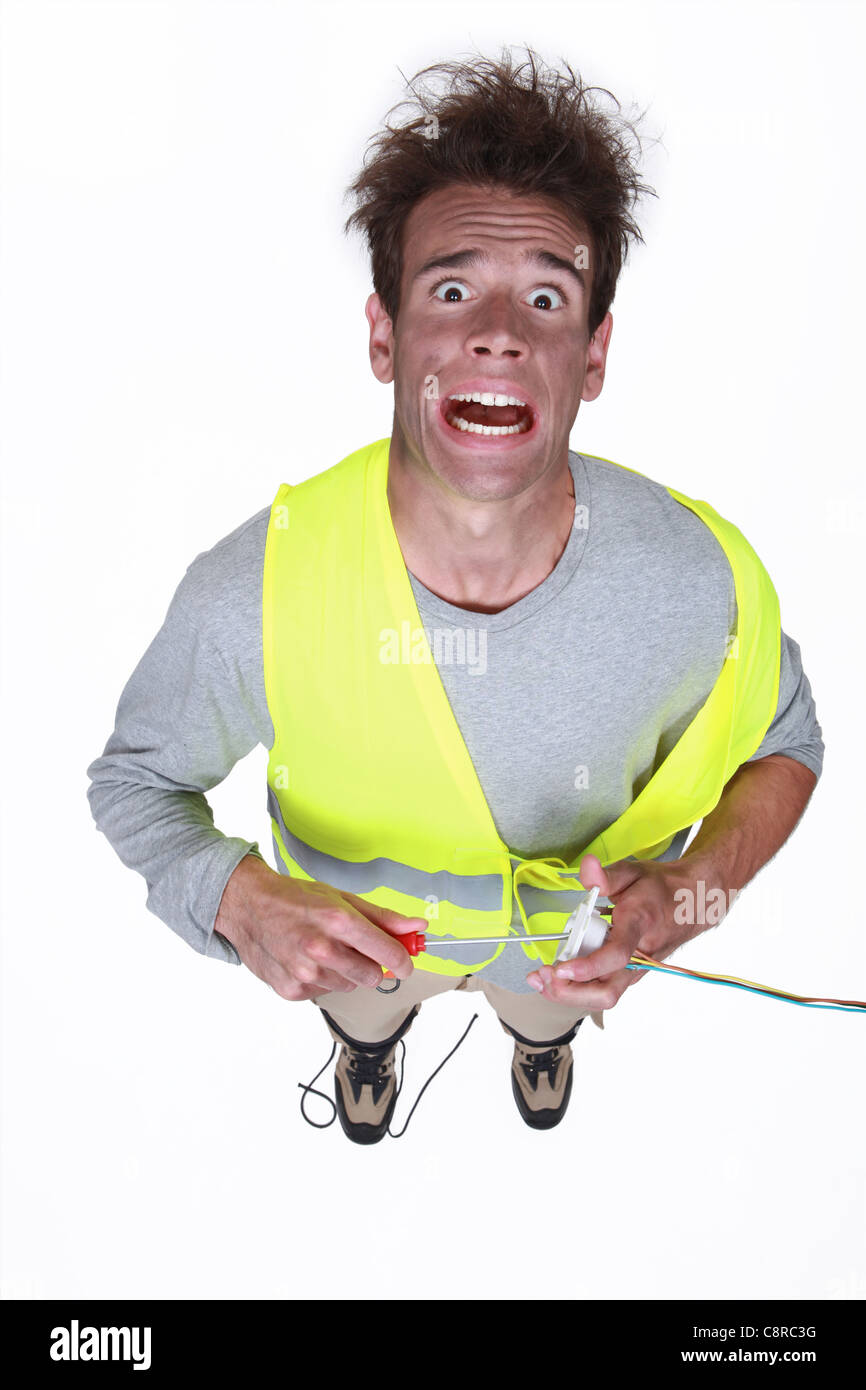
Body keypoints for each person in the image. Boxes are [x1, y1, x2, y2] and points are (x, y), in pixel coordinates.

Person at [86, 48, 823, 1144]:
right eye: (449, 288)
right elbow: (135, 784)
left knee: (542, 1012)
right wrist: (238, 896)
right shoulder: (255, 589)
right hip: (363, 952)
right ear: (384, 337)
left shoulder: (696, 577)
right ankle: (368, 1046)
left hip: (556, 956)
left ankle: (538, 1043)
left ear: (593, 354)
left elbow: (786, 748)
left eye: (544, 294)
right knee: (368, 1005)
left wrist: (683, 897)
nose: (497, 330)